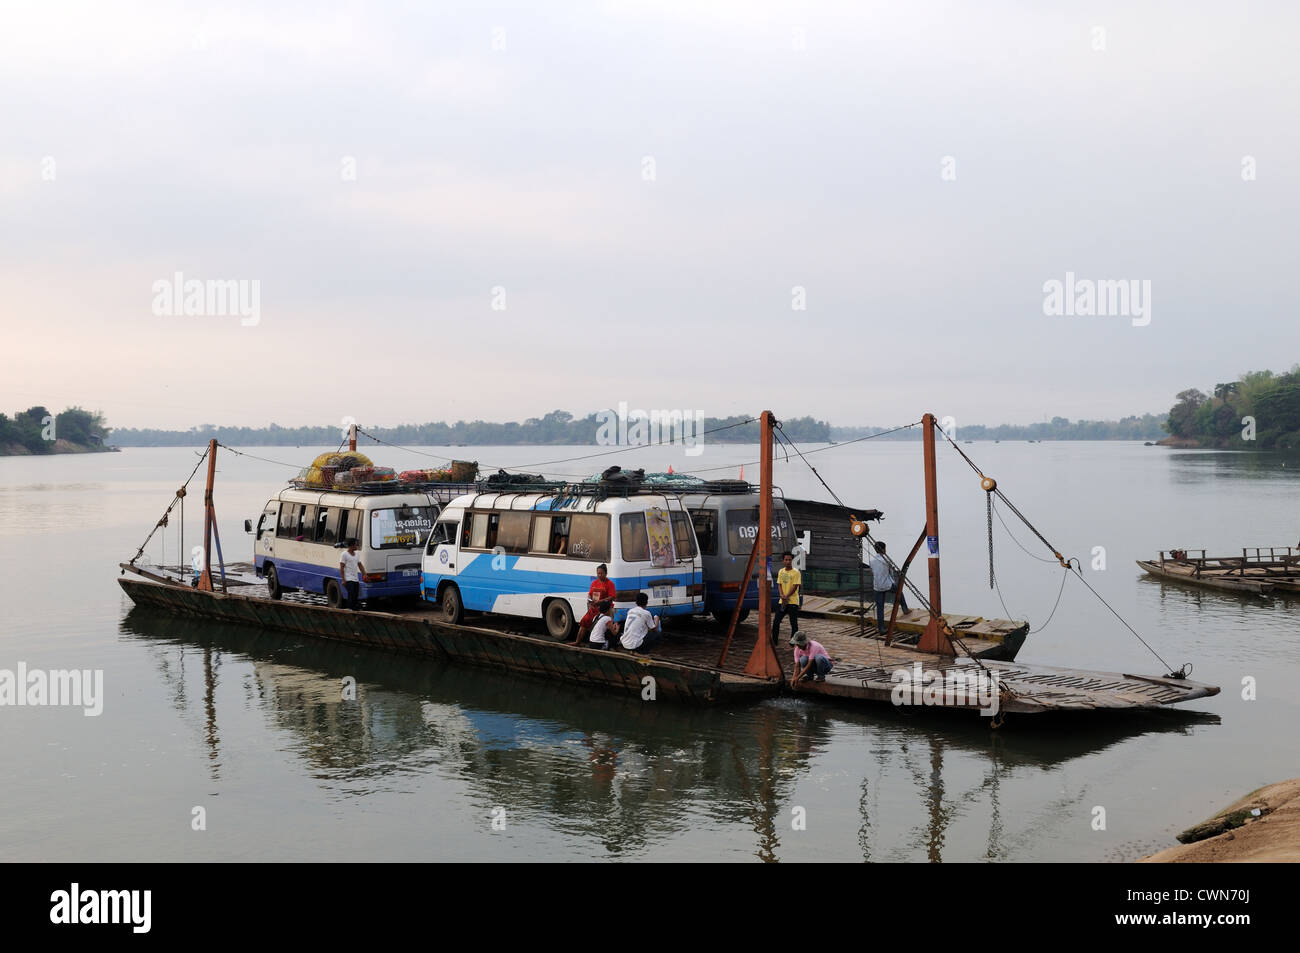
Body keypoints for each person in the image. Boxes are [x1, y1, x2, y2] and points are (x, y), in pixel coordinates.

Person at [570, 563, 617, 644]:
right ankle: (577, 642)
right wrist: (589, 599)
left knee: (605, 627)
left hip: (605, 609)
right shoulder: (594, 583)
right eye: (598, 573)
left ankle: (611, 645)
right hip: (594, 607)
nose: (599, 575)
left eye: (601, 573)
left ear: (605, 573)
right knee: (584, 622)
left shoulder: (610, 584)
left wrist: (601, 601)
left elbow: (612, 597)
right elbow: (590, 594)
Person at [868, 540, 907, 635]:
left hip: (877, 587)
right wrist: (893, 582)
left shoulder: (871, 561)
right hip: (887, 585)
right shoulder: (887, 560)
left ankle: (881, 629)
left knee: (880, 609)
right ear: (883, 549)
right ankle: (905, 609)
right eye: (885, 548)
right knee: (899, 592)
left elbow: (872, 572)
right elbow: (891, 572)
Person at [773, 550, 801, 642]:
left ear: (792, 561)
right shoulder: (781, 571)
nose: (788, 561)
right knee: (776, 621)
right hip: (782, 601)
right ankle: (774, 640)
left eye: (789, 560)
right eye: (786, 560)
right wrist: (781, 595)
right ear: (783, 561)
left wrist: (787, 596)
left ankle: (793, 641)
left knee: (793, 623)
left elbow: (795, 586)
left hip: (792, 602)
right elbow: (779, 584)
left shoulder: (796, 572)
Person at [339, 538, 365, 610]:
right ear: (351, 546)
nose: (357, 546)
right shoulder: (344, 554)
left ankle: (354, 609)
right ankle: (350, 609)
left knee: (356, 595)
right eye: (356, 545)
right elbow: (341, 568)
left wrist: (364, 574)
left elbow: (360, 565)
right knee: (351, 594)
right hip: (348, 578)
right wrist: (343, 580)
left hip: (355, 578)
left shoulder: (357, 554)